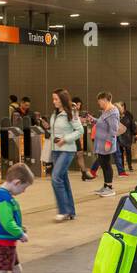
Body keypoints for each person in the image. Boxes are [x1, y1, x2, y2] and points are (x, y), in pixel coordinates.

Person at [48, 88, 83, 221]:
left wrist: (65, 139)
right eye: (53, 99)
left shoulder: (71, 113)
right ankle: (71, 211)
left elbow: (80, 131)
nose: (54, 101)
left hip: (67, 150)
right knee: (63, 180)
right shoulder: (55, 114)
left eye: (56, 99)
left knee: (56, 178)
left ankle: (63, 211)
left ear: (62, 99)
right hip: (55, 150)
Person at [91, 92, 121, 197]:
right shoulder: (106, 112)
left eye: (99, 101)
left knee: (106, 165)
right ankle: (105, 185)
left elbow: (114, 129)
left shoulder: (113, 112)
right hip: (101, 143)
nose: (98, 103)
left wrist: (108, 142)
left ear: (104, 100)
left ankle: (109, 188)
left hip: (106, 144)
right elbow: (101, 123)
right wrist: (93, 120)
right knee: (103, 164)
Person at [117, 101, 136, 177]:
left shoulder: (128, 114)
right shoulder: (116, 114)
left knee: (128, 151)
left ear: (124, 106)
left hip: (128, 135)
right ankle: (122, 167)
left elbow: (132, 124)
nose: (120, 107)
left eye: (121, 106)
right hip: (120, 135)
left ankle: (130, 165)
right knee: (120, 152)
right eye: (119, 106)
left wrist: (135, 133)